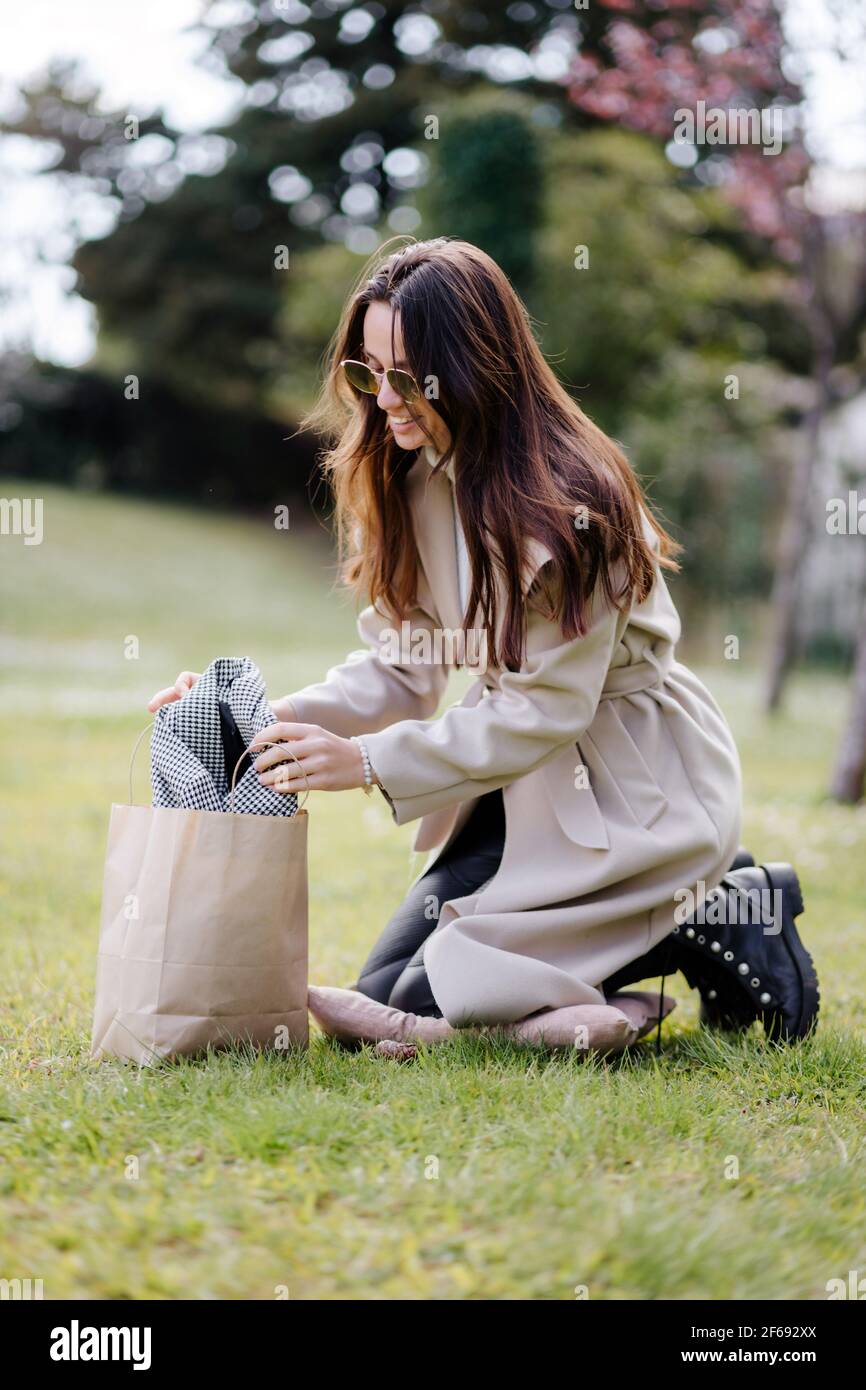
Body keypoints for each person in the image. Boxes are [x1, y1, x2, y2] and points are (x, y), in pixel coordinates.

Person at [148, 237, 818, 1050]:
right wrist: (251, 717)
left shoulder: (573, 505)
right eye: (367, 372)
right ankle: (594, 1002)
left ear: (474, 367)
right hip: (519, 789)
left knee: (430, 1008)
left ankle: (710, 911)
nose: (383, 399)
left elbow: (547, 712)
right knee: (384, 997)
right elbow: (402, 669)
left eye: (406, 377)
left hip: (636, 793)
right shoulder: (411, 471)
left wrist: (363, 764)